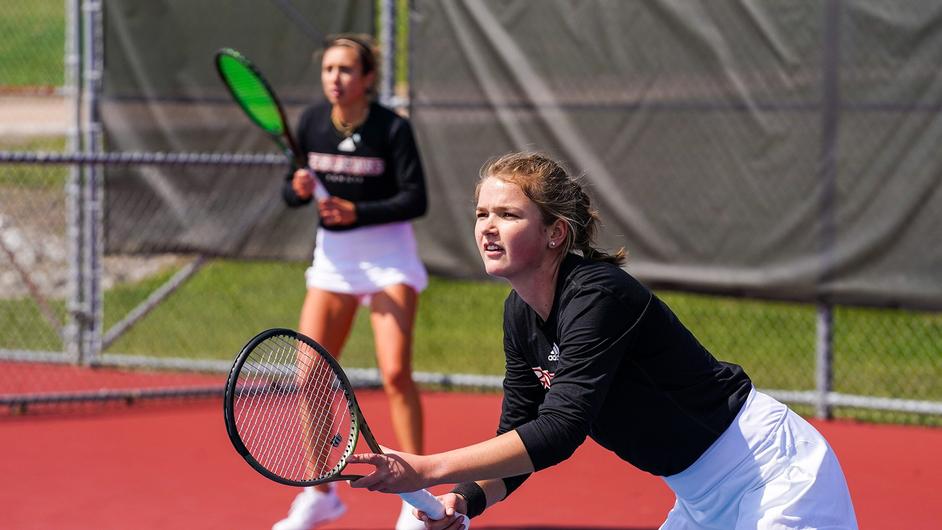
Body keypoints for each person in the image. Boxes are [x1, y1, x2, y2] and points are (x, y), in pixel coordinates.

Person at [346, 152, 859, 530]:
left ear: (555, 233)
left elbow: (562, 428)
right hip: (701, 498)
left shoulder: (598, 293)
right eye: (482, 213)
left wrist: (425, 467)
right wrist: (462, 499)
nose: (488, 228)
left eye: (508, 214)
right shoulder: (519, 315)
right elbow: (520, 435)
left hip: (774, 474)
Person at [274, 33, 429, 530]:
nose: (334, 79)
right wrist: (298, 190)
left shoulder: (393, 128)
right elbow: (291, 191)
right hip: (334, 264)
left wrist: (356, 210)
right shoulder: (312, 123)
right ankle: (321, 494)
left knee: (395, 375)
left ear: (366, 79)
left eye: (345, 70)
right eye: (328, 70)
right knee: (310, 375)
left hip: (389, 261)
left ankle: (417, 498)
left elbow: (415, 199)